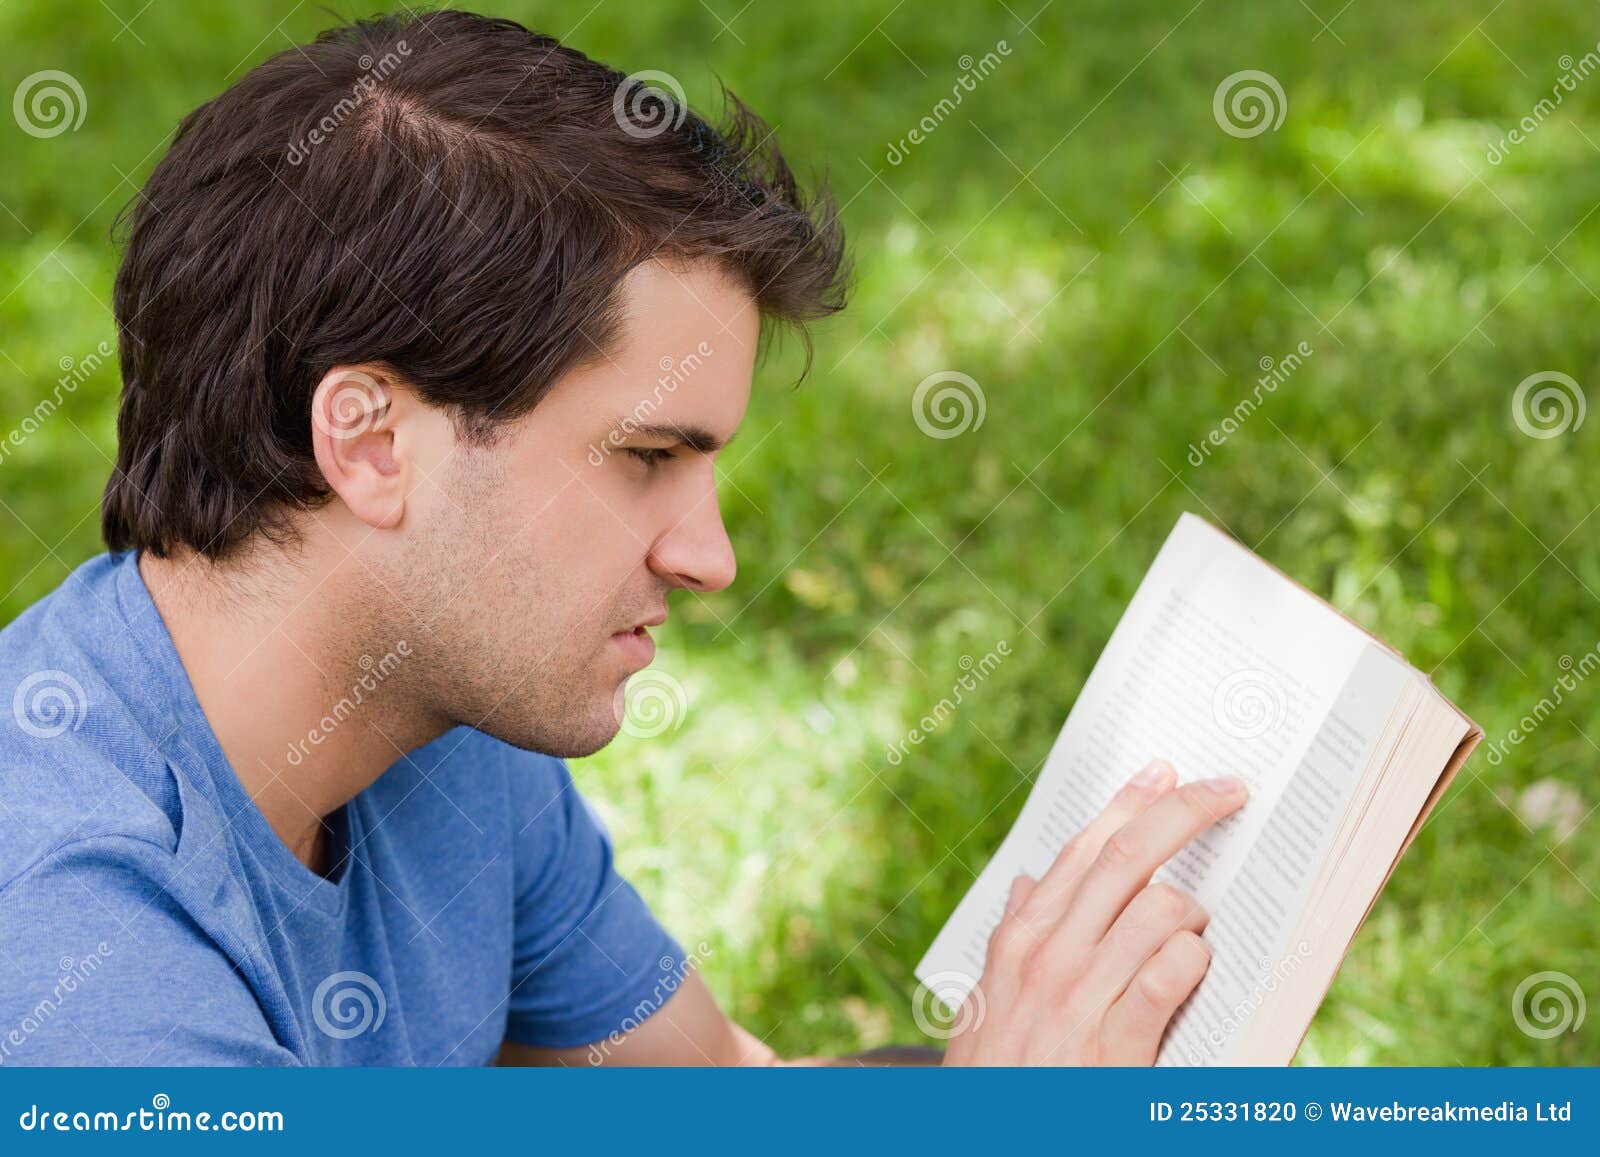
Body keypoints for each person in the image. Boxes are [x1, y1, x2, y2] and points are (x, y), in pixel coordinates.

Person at [0, 9, 1245, 1067]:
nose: (710, 559)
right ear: (371, 443)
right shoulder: (75, 956)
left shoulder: (438, 710)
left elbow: (719, 1096)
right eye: (647, 457)